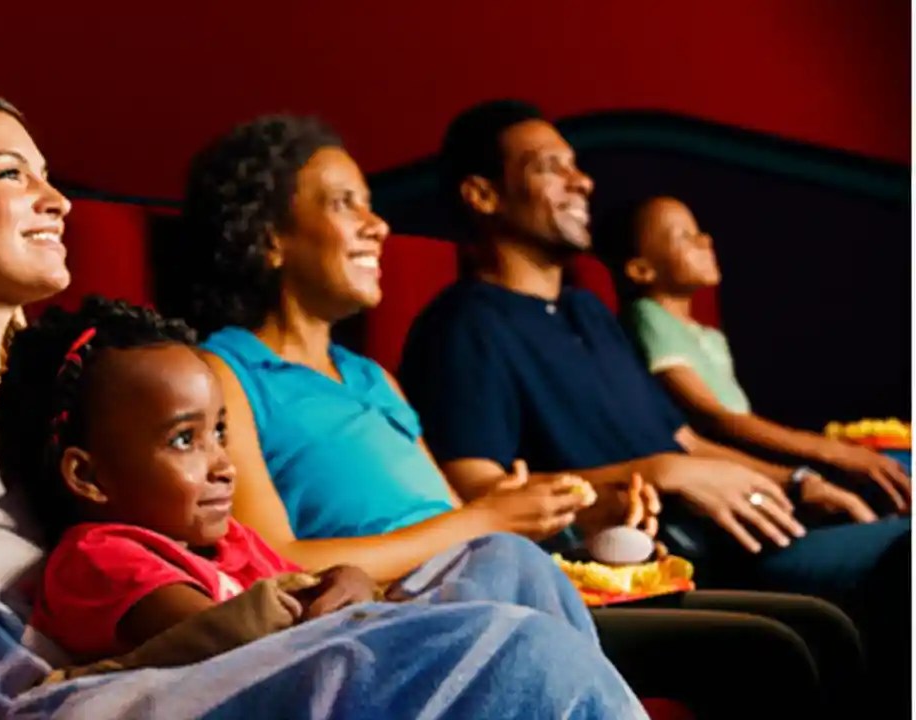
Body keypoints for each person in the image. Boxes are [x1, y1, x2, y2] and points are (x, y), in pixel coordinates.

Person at [0, 91, 652, 719]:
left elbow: (211, 559)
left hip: (184, 651)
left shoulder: (42, 400)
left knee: (503, 567)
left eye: (48, 175)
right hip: (76, 694)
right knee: (514, 652)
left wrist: (314, 595)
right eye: (8, 175)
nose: (56, 199)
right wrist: (95, 667)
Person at [172, 114, 864, 718]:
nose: (377, 223)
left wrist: (564, 511)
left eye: (371, 203)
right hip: (404, 614)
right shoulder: (226, 372)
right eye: (344, 203)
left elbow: (447, 514)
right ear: (269, 238)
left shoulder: (369, 375)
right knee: (768, 653)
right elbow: (269, 566)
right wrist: (486, 521)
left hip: (483, 575)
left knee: (819, 630)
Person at [397, 98, 909, 715]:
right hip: (666, 555)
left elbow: (685, 442)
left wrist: (800, 479)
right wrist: (659, 473)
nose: (581, 180)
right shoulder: (464, 325)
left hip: (745, 526)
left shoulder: (589, 310)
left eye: (576, 165)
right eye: (548, 167)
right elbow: (475, 485)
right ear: (482, 195)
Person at [0, 297, 376, 662]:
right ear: (87, 476)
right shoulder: (97, 559)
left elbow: (310, 593)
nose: (223, 466)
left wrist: (348, 580)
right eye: (184, 440)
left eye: (219, 433)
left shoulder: (235, 542)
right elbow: (234, 642)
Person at [616, 194, 910, 514]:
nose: (704, 240)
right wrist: (831, 452)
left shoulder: (710, 336)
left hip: (758, 455)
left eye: (699, 231)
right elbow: (716, 418)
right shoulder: (648, 315)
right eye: (684, 236)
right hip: (724, 464)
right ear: (641, 269)